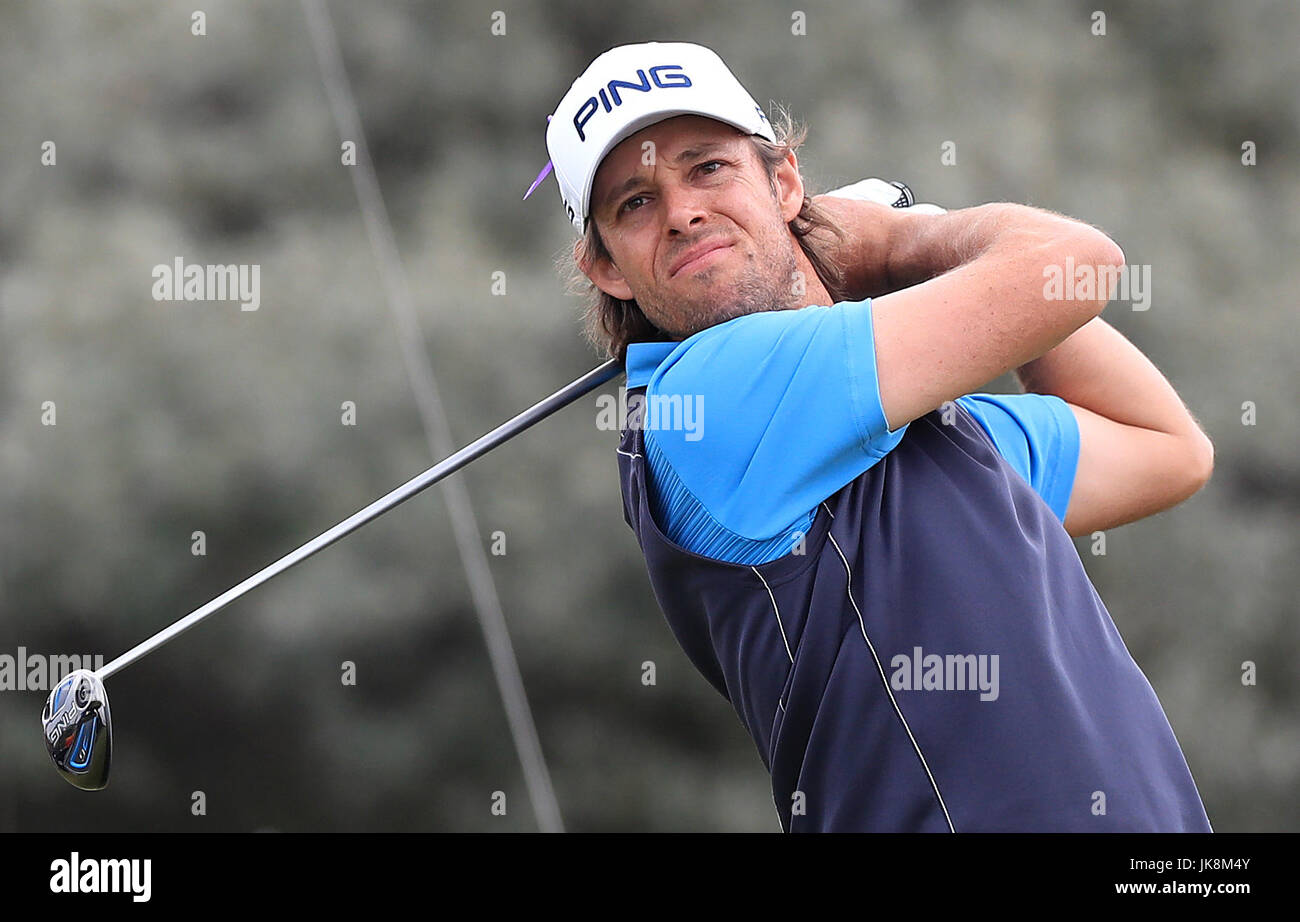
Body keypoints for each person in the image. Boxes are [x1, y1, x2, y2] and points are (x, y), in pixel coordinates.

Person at [534, 41, 1215, 832]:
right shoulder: (707, 394)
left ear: (783, 181)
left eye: (707, 167)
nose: (683, 211)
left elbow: (1167, 448)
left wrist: (919, 258)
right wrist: (904, 242)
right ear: (609, 269)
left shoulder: (934, 433)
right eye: (635, 204)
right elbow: (1079, 264)